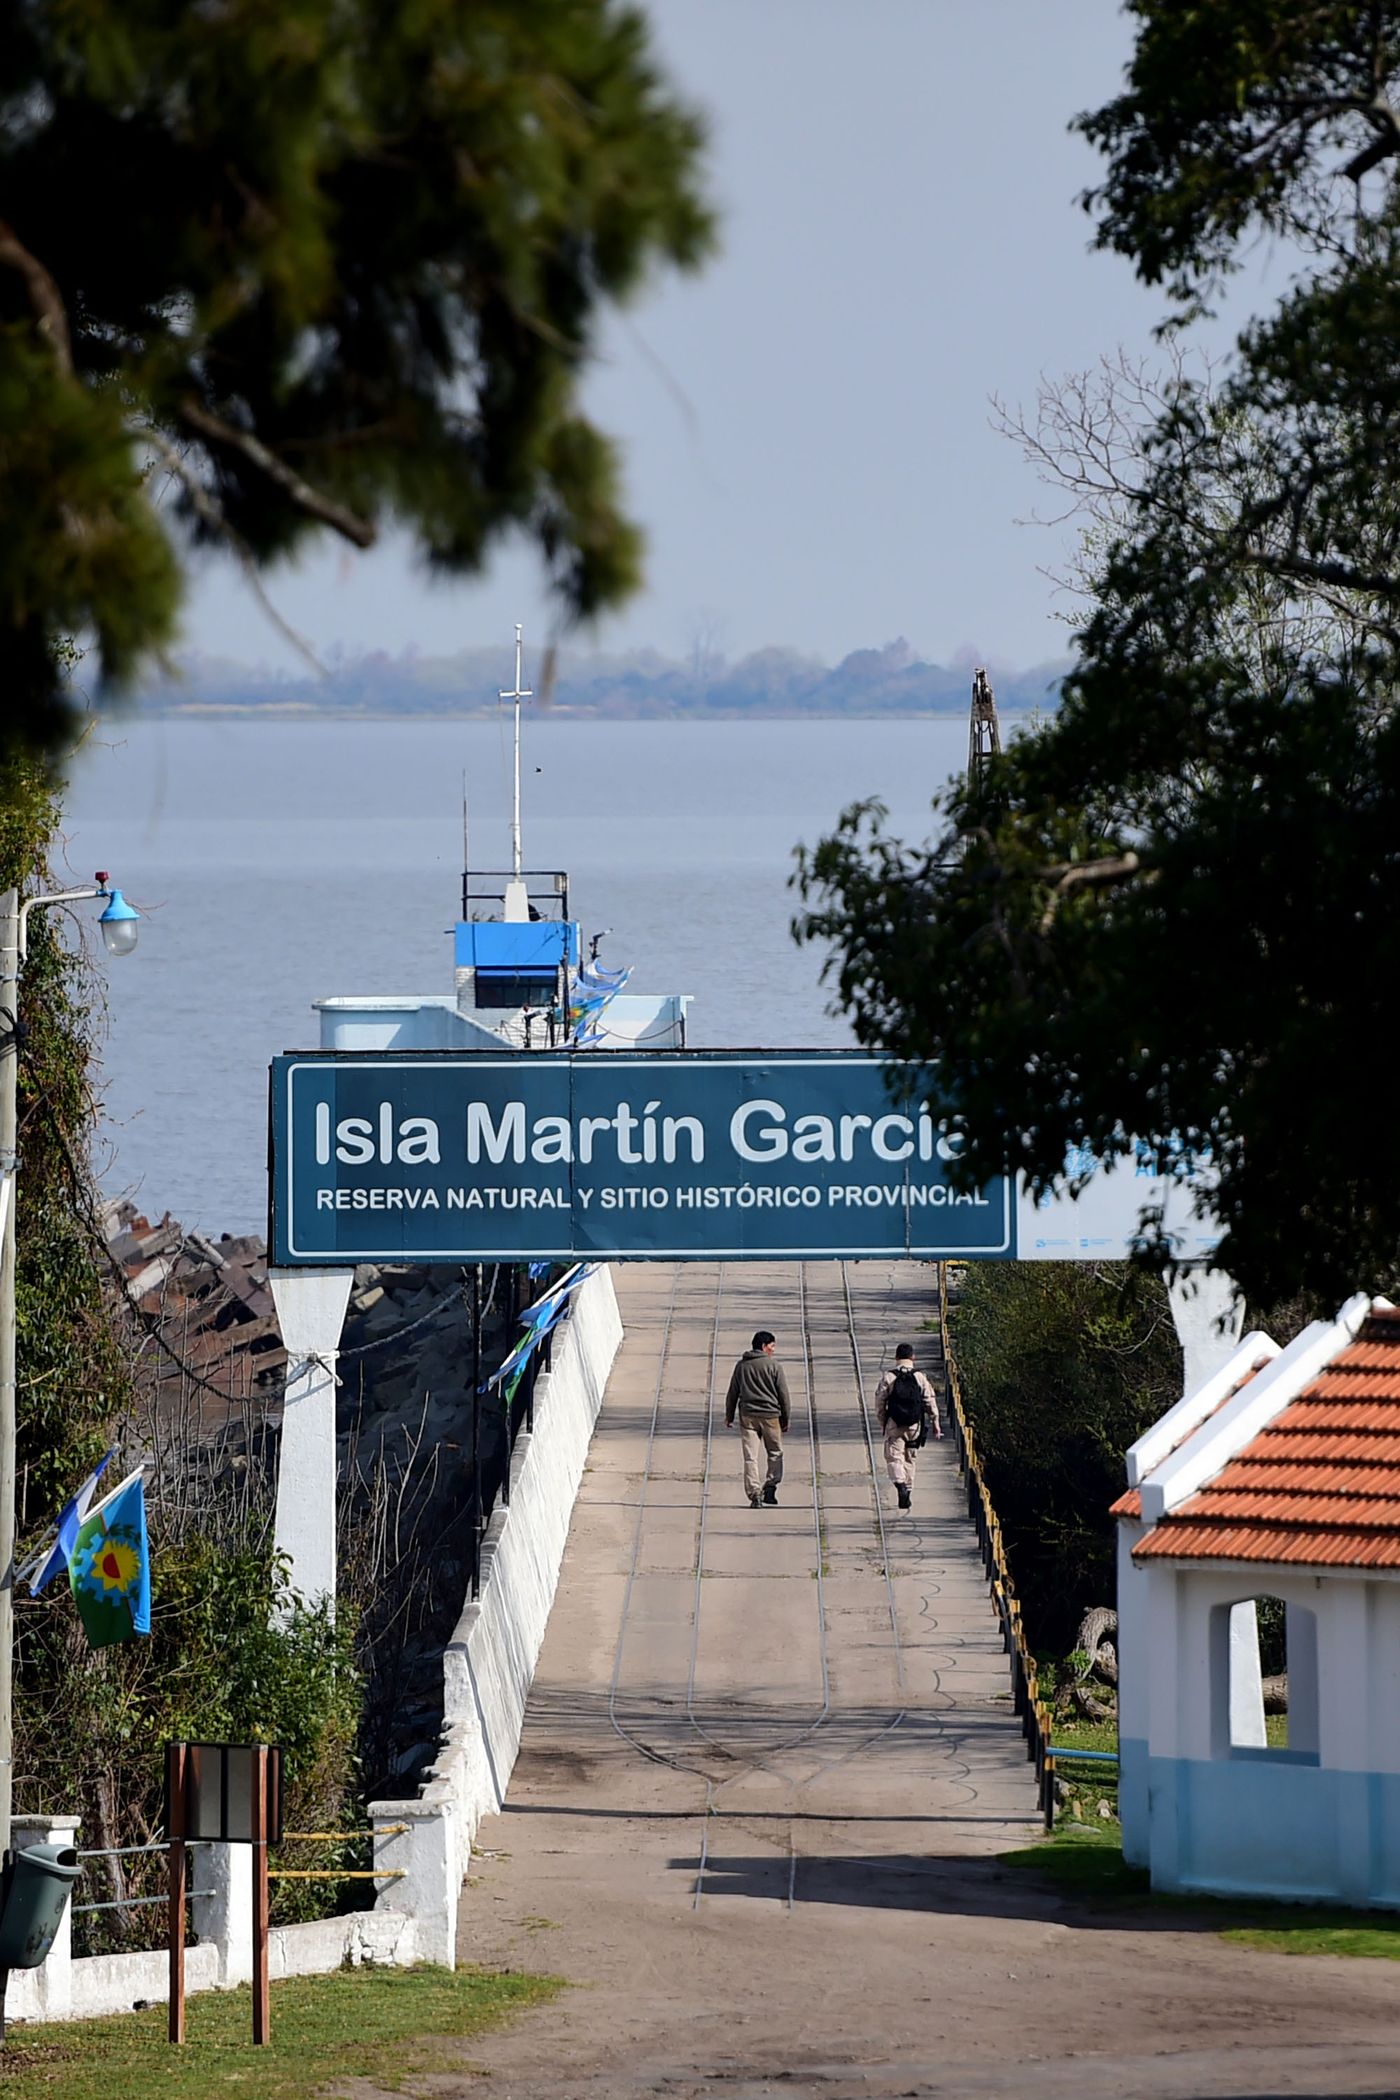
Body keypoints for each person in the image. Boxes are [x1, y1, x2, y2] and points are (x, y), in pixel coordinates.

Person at [724, 1329, 791, 1507]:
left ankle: (755, 1494)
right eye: (772, 1346)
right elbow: (783, 1394)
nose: (773, 1350)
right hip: (771, 1417)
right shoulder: (774, 1366)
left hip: (748, 1417)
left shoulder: (741, 1366)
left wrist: (729, 1416)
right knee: (775, 1453)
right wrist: (785, 1419)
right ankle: (770, 1486)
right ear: (763, 1346)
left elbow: (733, 1392)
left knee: (750, 1456)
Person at [874, 1343, 941, 1510]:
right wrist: (936, 1423)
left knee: (894, 1457)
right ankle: (908, 1492)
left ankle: (901, 1485)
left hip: (895, 1424)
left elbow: (879, 1402)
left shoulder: (889, 1377)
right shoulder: (920, 1377)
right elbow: (929, 1400)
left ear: (896, 1358)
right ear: (913, 1357)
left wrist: (883, 1422)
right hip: (914, 1425)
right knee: (910, 1458)